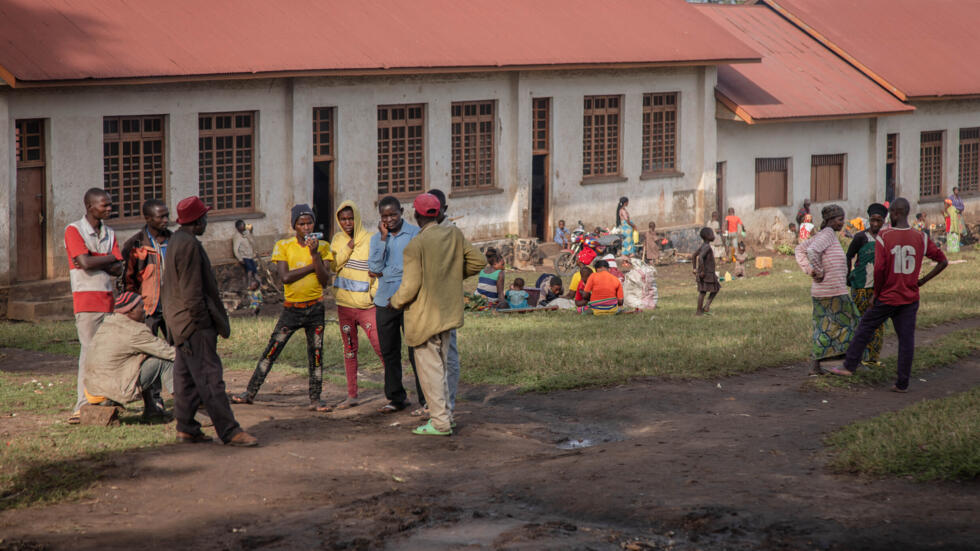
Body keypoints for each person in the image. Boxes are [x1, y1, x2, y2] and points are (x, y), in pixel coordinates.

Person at [826, 198, 948, 392]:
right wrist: (921, 281)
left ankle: (849, 366)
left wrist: (876, 293)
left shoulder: (885, 236)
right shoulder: (921, 237)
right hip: (909, 297)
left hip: (888, 296)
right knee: (906, 340)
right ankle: (902, 383)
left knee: (865, 327)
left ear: (896, 213)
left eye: (890, 212)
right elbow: (943, 261)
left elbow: (880, 269)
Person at [162, 196, 256, 446]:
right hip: (193, 324)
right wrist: (203, 323)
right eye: (204, 217)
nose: (206, 221)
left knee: (185, 378)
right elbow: (192, 293)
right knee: (209, 377)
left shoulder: (176, 241)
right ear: (197, 221)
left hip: (179, 323)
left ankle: (187, 427)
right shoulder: (189, 245)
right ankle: (229, 430)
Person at [389, 193, 484, 436]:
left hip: (424, 318)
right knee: (444, 367)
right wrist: (451, 277)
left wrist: (394, 303)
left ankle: (440, 422)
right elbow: (478, 261)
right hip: (448, 314)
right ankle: (447, 416)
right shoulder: (453, 234)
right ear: (439, 212)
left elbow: (409, 287)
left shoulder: (415, 246)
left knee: (431, 371)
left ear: (416, 215)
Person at [233, 205, 333, 411]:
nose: (306, 227)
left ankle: (316, 399)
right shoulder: (284, 246)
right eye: (301, 223)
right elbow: (285, 277)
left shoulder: (322, 246)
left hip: (315, 308)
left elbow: (325, 280)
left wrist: (315, 255)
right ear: (294, 225)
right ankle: (250, 392)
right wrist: (313, 266)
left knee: (316, 354)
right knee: (272, 350)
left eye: (309, 223)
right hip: (291, 310)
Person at [64, 188, 124, 424]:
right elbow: (84, 262)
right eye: (105, 205)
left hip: (107, 298)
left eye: (110, 204)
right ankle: (81, 404)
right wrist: (108, 258)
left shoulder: (109, 232)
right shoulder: (74, 230)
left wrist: (98, 257)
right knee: (88, 353)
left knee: (106, 353)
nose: (109, 208)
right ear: (90, 206)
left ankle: (102, 399)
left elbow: (118, 268)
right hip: (86, 300)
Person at [369, 196, 423, 415]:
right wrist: (383, 239)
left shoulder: (415, 235)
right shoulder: (377, 238)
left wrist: (387, 272)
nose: (389, 219)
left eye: (393, 214)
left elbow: (414, 268)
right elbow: (373, 267)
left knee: (416, 352)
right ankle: (396, 397)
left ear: (402, 211)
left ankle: (426, 400)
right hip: (384, 301)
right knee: (389, 352)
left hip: (409, 300)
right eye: (385, 216)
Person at [82, 292, 173, 421]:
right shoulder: (134, 331)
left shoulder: (108, 324)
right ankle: (187, 410)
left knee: (143, 359)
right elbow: (168, 352)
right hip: (112, 391)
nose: (145, 312)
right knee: (164, 362)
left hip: (94, 391)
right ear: (130, 311)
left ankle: (152, 410)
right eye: (141, 308)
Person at [329, 201, 384, 409]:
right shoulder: (337, 240)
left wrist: (373, 294)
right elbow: (334, 265)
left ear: (357, 218)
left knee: (380, 347)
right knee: (349, 350)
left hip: (367, 307)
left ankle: (395, 393)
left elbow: (378, 269)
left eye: (350, 218)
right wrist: (349, 246)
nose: (347, 223)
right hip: (344, 306)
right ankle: (352, 395)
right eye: (343, 219)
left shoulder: (371, 239)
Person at [804, 204, 860, 376]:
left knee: (826, 328)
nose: (842, 223)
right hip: (831, 291)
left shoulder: (829, 235)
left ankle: (822, 364)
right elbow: (812, 251)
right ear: (830, 220)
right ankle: (849, 363)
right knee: (853, 323)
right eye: (840, 219)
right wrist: (818, 271)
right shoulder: (828, 234)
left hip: (828, 291)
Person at [428, 189, 463, 412]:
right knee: (430, 355)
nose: (431, 212)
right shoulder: (424, 231)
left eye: (436, 208)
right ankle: (434, 404)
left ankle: (447, 405)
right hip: (427, 302)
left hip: (447, 302)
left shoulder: (451, 233)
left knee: (448, 353)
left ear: (444, 209)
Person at [845, 203, 888, 367]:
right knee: (861, 322)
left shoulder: (886, 238)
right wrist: (847, 276)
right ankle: (857, 356)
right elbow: (848, 256)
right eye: (873, 220)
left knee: (878, 324)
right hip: (861, 286)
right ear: (868, 220)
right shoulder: (860, 237)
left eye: (879, 220)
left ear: (884, 221)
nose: (875, 224)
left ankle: (872, 358)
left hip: (879, 289)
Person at [122, 198, 171, 338]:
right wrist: (135, 306)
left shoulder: (174, 241)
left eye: (167, 215)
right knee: (147, 348)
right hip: (148, 307)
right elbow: (128, 279)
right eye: (161, 217)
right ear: (148, 218)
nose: (166, 220)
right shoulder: (135, 244)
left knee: (178, 350)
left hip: (172, 306)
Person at [693, 227, 720, 315]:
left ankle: (701, 309)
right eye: (712, 234)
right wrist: (703, 271)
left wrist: (694, 269)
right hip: (707, 273)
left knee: (703, 291)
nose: (713, 236)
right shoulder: (707, 247)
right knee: (715, 288)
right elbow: (700, 257)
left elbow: (694, 256)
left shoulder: (703, 246)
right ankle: (704, 307)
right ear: (708, 236)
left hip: (705, 272)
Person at [232, 220, 259, 287]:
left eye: (243, 225)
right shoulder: (237, 237)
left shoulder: (246, 233)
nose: (243, 227)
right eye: (241, 226)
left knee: (255, 271)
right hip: (244, 256)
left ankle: (258, 285)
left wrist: (249, 234)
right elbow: (235, 249)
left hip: (250, 256)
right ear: (237, 228)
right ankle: (249, 285)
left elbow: (252, 242)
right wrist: (240, 258)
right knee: (249, 270)